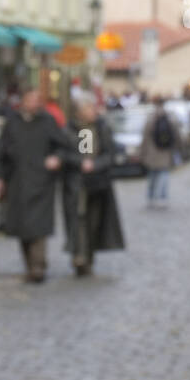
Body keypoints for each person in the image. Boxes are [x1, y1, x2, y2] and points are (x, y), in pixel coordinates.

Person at [0, 89, 75, 283]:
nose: (33, 103)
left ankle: (38, 267)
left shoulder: (48, 122)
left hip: (41, 182)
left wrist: (57, 159)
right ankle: (30, 265)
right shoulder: (12, 123)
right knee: (22, 227)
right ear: (22, 101)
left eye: (37, 100)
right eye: (29, 99)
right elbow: (0, 153)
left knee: (38, 226)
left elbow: (64, 146)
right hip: (17, 182)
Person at [59, 100, 126, 275]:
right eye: (88, 108)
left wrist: (95, 164)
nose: (93, 111)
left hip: (98, 183)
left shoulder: (99, 129)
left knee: (93, 221)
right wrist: (82, 163)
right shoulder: (75, 130)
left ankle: (87, 255)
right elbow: (73, 155)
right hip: (77, 184)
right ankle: (80, 255)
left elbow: (107, 154)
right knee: (79, 218)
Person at [140, 96, 178, 207]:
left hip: (152, 152)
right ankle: (162, 197)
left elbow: (145, 137)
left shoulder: (150, 118)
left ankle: (151, 197)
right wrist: (177, 149)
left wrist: (142, 153)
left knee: (152, 175)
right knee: (164, 175)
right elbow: (176, 135)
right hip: (165, 152)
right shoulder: (170, 117)